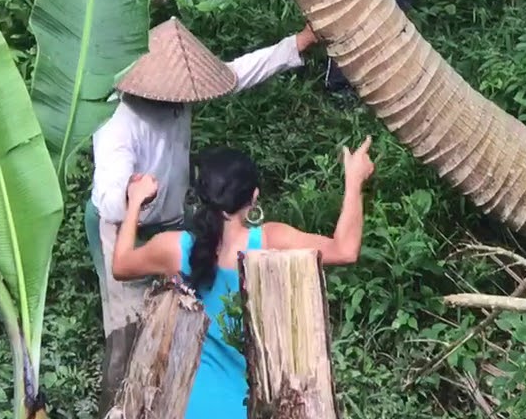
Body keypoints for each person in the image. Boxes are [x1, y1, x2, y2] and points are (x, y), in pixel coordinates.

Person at [87, 16, 319, 412]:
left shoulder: (179, 95)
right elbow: (109, 198)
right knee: (127, 331)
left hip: (172, 223)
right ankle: (121, 405)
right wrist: (133, 193)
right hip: (122, 227)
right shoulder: (117, 123)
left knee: (178, 323)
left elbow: (235, 74)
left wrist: (297, 43)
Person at [111, 137, 376, 419]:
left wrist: (136, 202)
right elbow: (345, 250)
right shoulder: (270, 241)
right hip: (244, 408)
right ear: (254, 198)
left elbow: (121, 265)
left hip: (185, 405)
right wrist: (354, 182)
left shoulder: (175, 249)